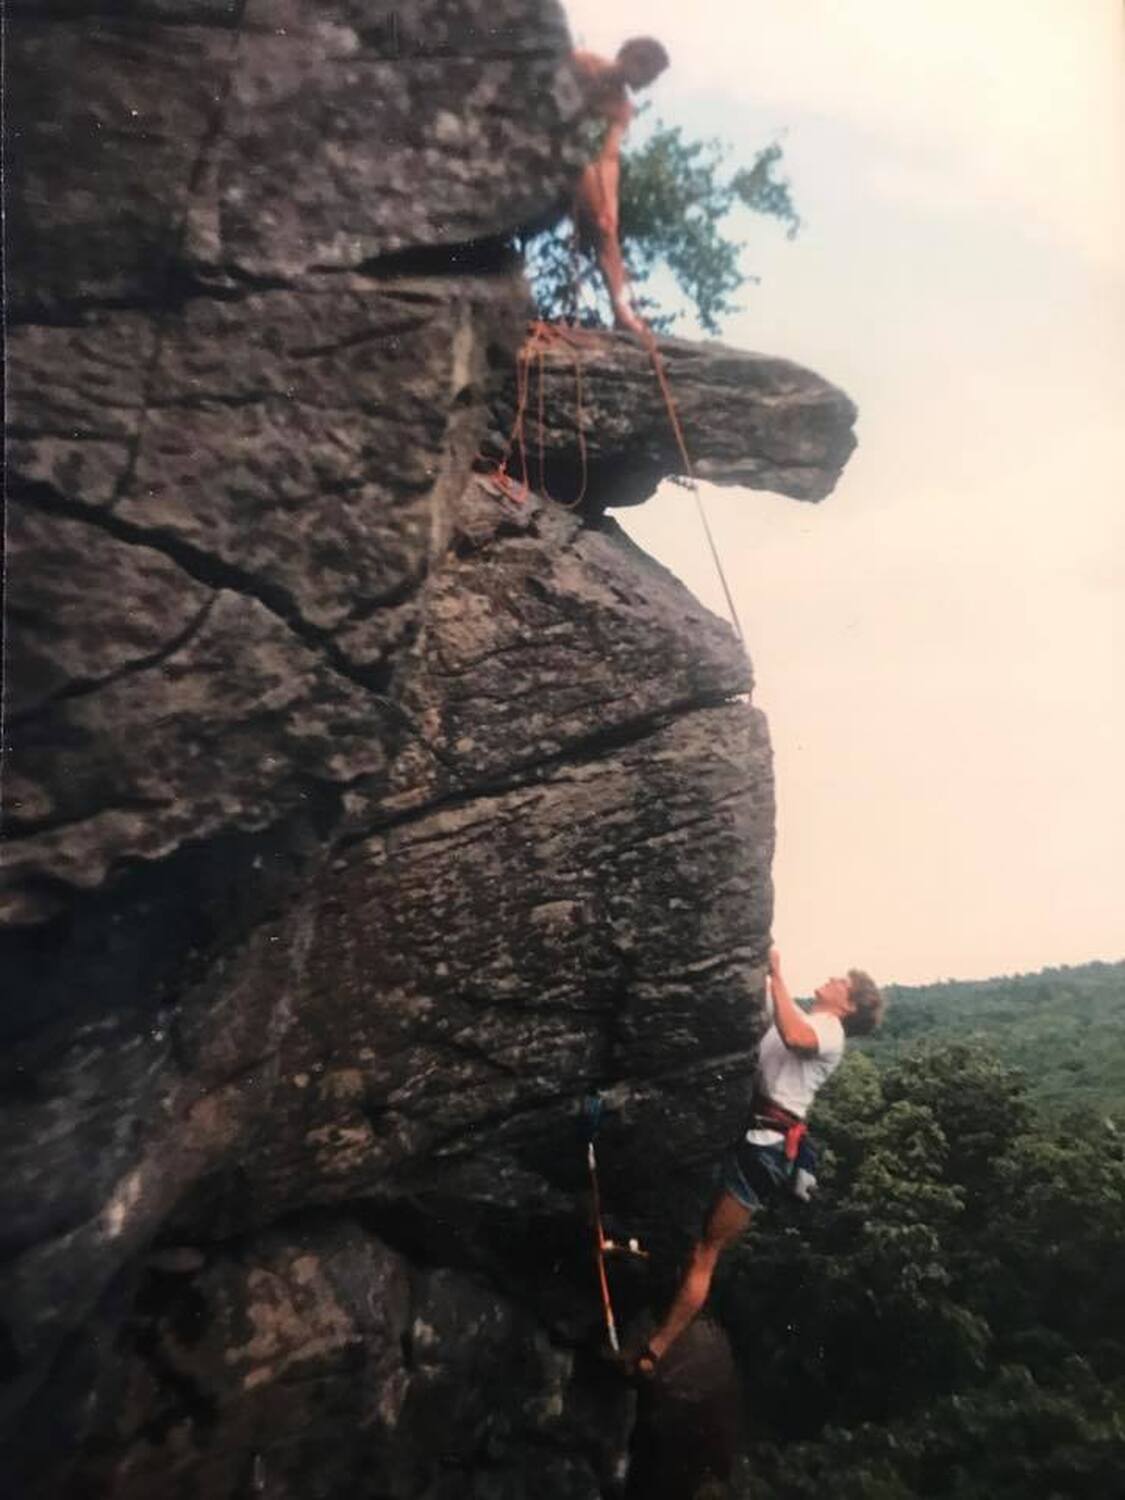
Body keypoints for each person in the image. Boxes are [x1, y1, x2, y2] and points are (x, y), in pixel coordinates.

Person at [632, 947, 885, 1376]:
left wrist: (779, 973)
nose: (832, 977)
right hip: (740, 1129)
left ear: (850, 1005)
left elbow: (795, 1038)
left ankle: (654, 1351)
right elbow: (761, 996)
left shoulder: (828, 1032)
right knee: (681, 1223)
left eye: (843, 981)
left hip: (765, 1150)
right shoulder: (802, 1015)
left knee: (706, 1249)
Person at [571, 37, 669, 334]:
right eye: (649, 75)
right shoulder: (579, 63)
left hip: (563, 155)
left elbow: (609, 159)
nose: (649, 83)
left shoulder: (622, 107)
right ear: (632, 59)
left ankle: (622, 308)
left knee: (607, 229)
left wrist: (609, 207)